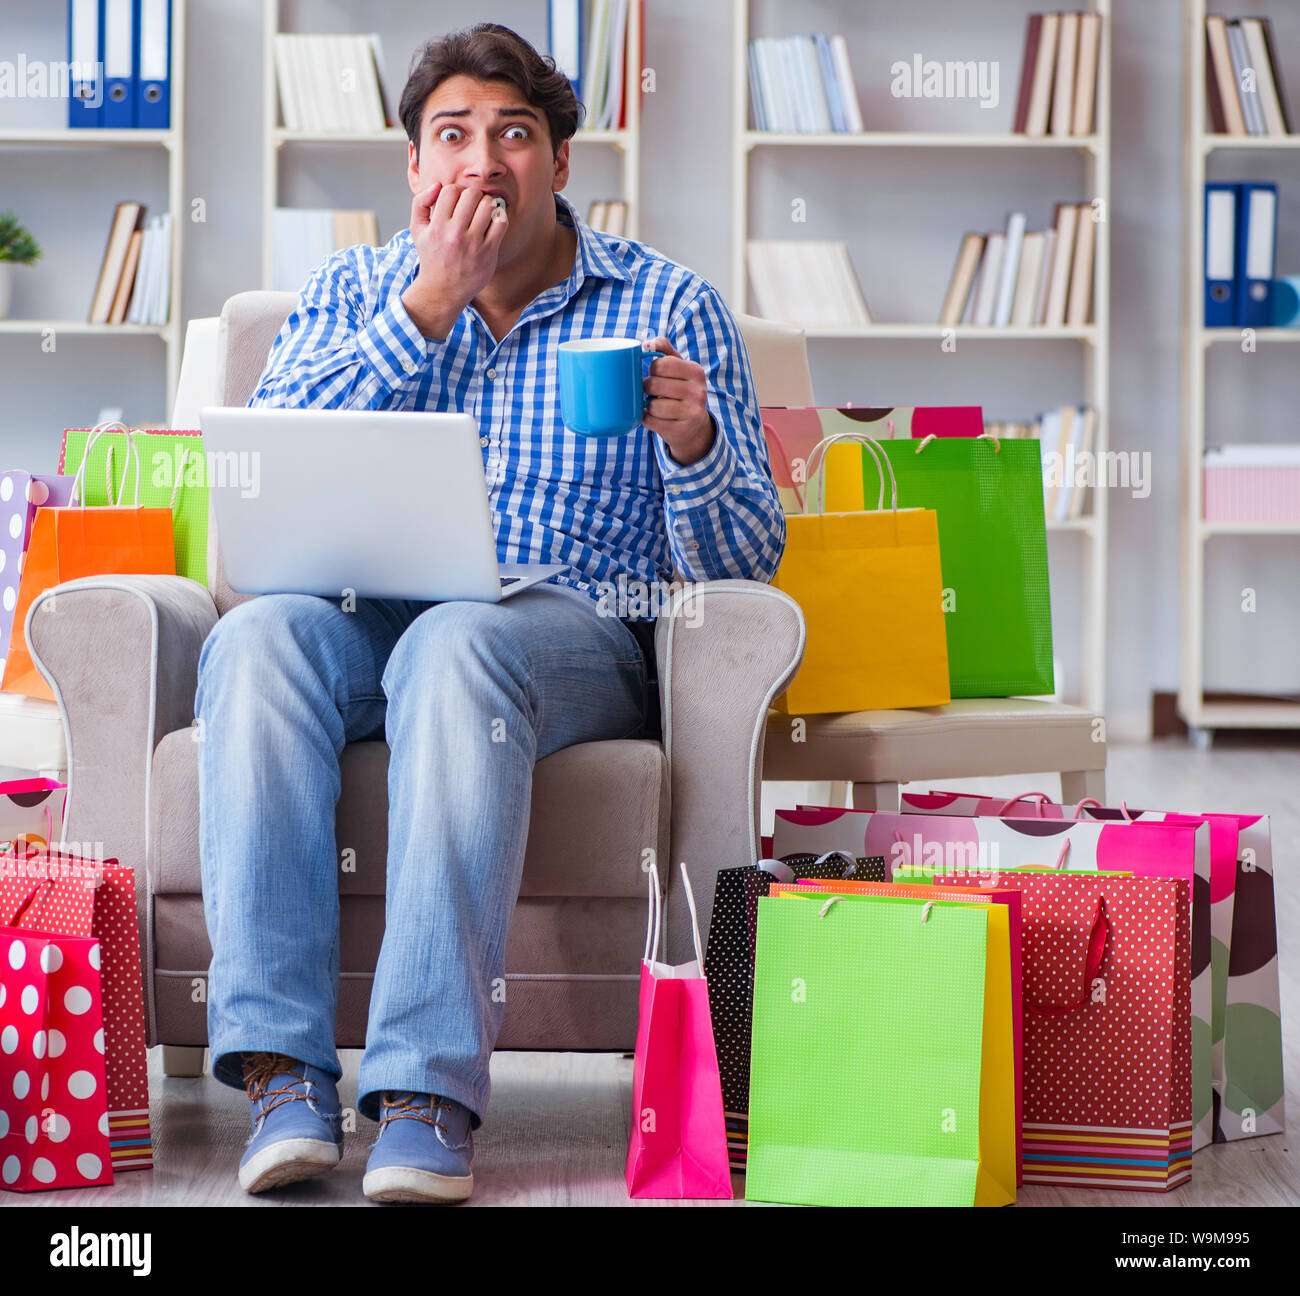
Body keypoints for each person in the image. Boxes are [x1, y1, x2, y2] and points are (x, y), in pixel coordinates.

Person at [196, 21, 784, 1205]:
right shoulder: (355, 291)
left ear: (560, 163)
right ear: (414, 169)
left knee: (457, 645)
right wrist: (427, 305)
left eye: (513, 134)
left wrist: (696, 442)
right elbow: (265, 468)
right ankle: (282, 1078)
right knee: (253, 638)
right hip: (364, 615)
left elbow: (745, 563)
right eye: (450, 136)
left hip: (564, 632)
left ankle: (425, 1093)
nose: (481, 161)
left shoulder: (668, 304)